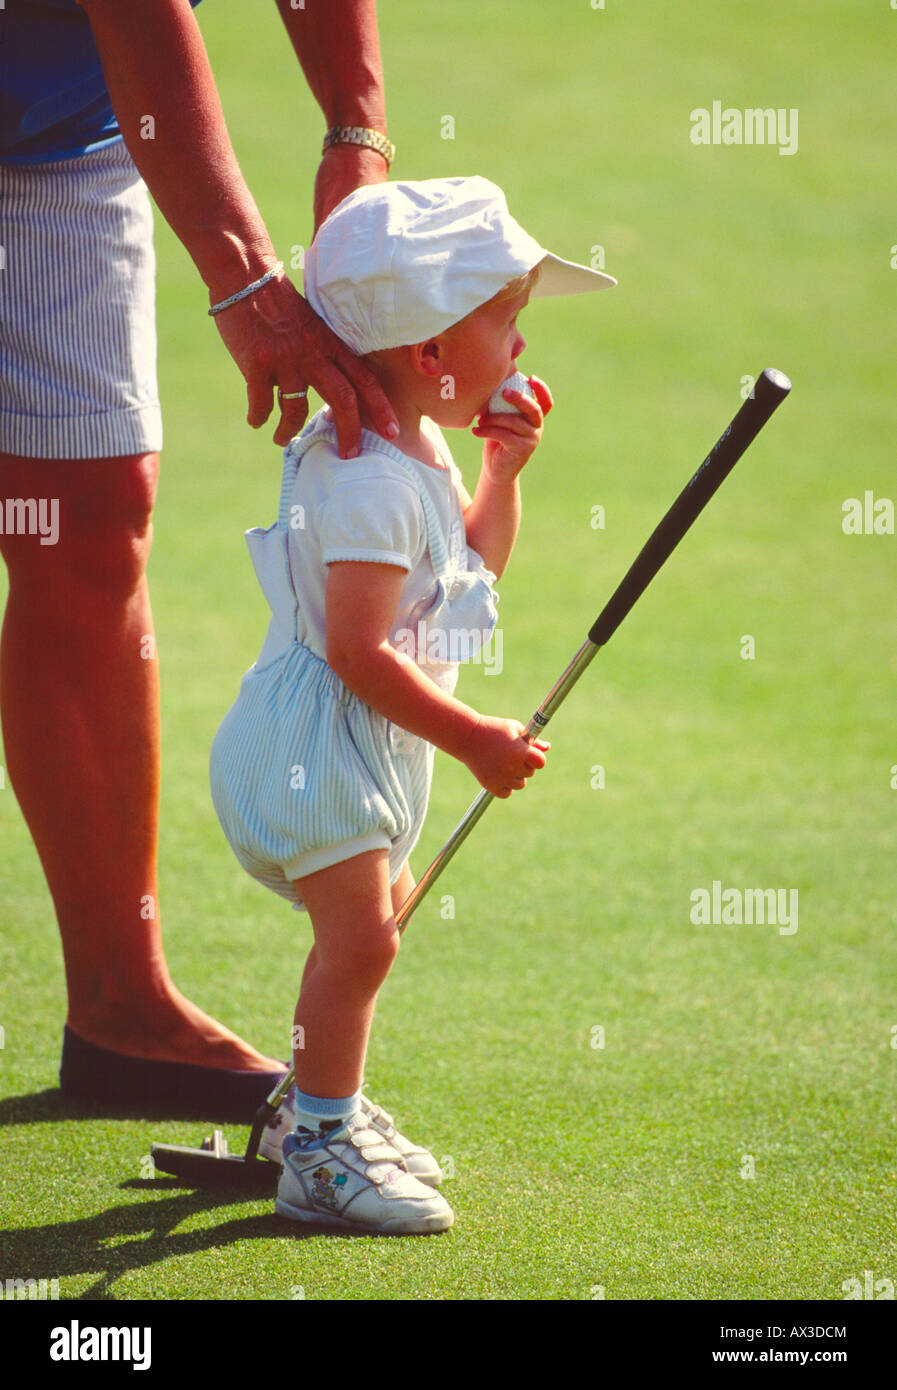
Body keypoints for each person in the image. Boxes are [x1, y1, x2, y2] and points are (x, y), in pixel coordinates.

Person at [0, 0, 401, 1119]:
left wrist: (354, 132)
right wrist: (243, 281)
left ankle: (121, 1009)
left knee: (87, 518)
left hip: (66, 140)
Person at [208, 176, 616, 1232]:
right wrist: (475, 736)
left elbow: (465, 585)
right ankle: (326, 1154)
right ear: (433, 354)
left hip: (361, 745)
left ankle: (318, 1109)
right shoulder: (369, 481)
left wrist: (504, 469)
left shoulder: (420, 450)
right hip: (318, 750)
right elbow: (356, 650)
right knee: (365, 945)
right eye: (507, 322)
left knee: (367, 931)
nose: (521, 346)